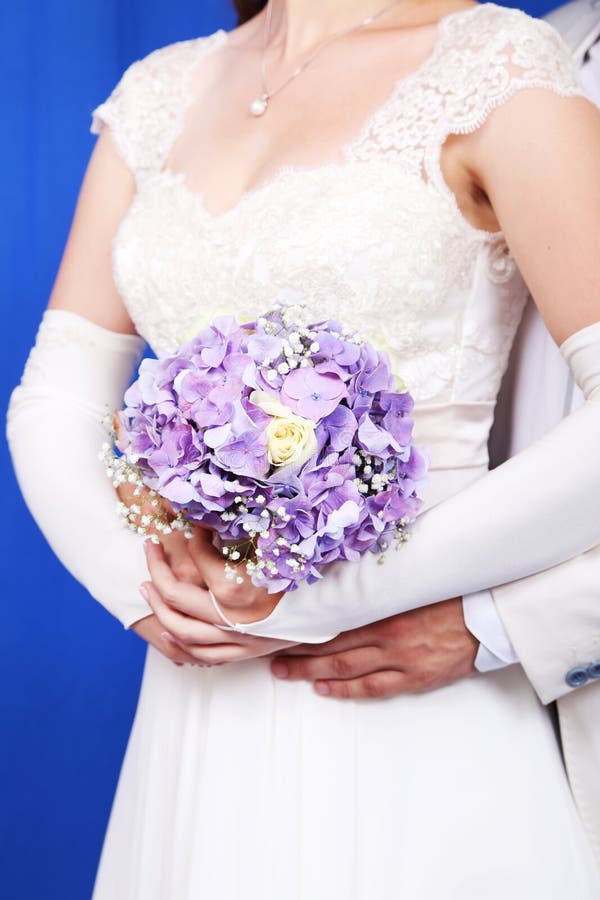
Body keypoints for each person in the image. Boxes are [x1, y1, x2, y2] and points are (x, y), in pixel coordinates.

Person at [5, 1, 600, 896]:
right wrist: (147, 591)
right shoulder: (160, 90)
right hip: (200, 688)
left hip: (410, 682)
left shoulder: (501, 66)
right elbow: (55, 393)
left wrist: (330, 602)